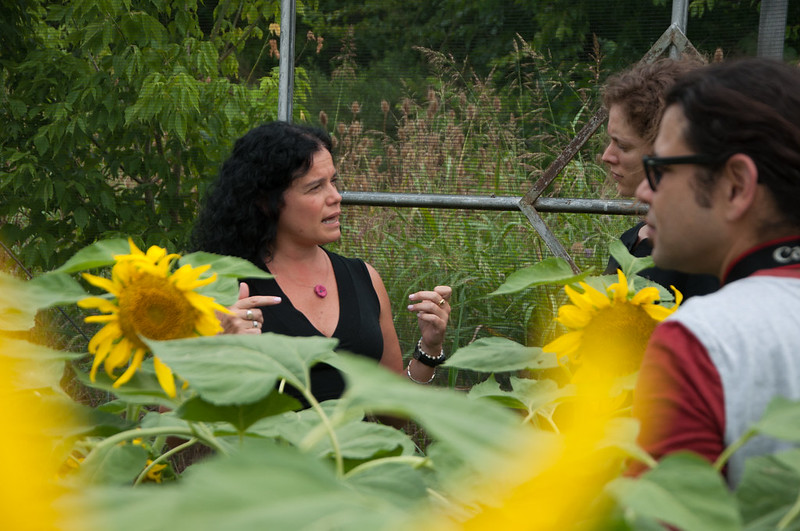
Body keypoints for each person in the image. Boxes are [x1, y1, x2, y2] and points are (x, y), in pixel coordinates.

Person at [191, 121, 451, 405]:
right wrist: (220, 351)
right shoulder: (219, 287)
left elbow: (392, 416)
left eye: (333, 182)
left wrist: (429, 347)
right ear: (266, 202)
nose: (336, 196)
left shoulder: (365, 279)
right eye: (315, 187)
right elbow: (174, 429)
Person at [631, 57, 800, 487]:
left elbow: (664, 515)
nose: (643, 190)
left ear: (736, 185)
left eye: (661, 170)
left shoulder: (703, 340)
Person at [601, 57, 719, 298]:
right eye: (610, 140)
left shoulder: (700, 258)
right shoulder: (629, 241)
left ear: (668, 150)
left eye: (622, 145)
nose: (606, 156)